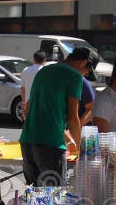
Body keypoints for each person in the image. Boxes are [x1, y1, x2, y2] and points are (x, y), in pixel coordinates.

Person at [19, 47, 97, 186]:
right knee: (54, 198)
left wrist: (68, 138)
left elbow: (28, 108)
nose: (84, 76)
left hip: (27, 140)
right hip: (51, 146)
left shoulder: (44, 71)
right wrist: (80, 149)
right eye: (87, 72)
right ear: (83, 63)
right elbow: (73, 118)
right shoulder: (74, 76)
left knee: (34, 197)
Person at [20, 50, 46, 117]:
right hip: (41, 104)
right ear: (44, 60)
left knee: (28, 124)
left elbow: (23, 88)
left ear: (33, 59)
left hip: (27, 104)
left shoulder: (25, 70)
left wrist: (23, 102)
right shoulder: (45, 71)